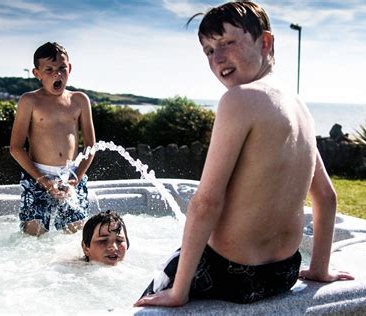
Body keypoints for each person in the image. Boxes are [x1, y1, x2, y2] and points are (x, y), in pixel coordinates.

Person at [135, 1, 353, 307]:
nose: (218, 58)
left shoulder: (239, 99)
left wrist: (179, 291)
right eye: (209, 50)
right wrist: (319, 268)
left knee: (144, 302)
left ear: (265, 42)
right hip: (283, 272)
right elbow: (326, 196)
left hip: (228, 271)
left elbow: (207, 201)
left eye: (227, 43)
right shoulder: (300, 109)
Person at [10, 42, 96, 236]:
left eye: (61, 69)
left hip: (72, 175)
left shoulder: (79, 100)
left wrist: (75, 179)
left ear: (70, 69)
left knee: (76, 235)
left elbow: (90, 146)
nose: (57, 74)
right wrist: (43, 181)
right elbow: (16, 147)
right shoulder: (29, 101)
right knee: (33, 236)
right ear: (36, 73)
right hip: (37, 175)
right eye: (49, 70)